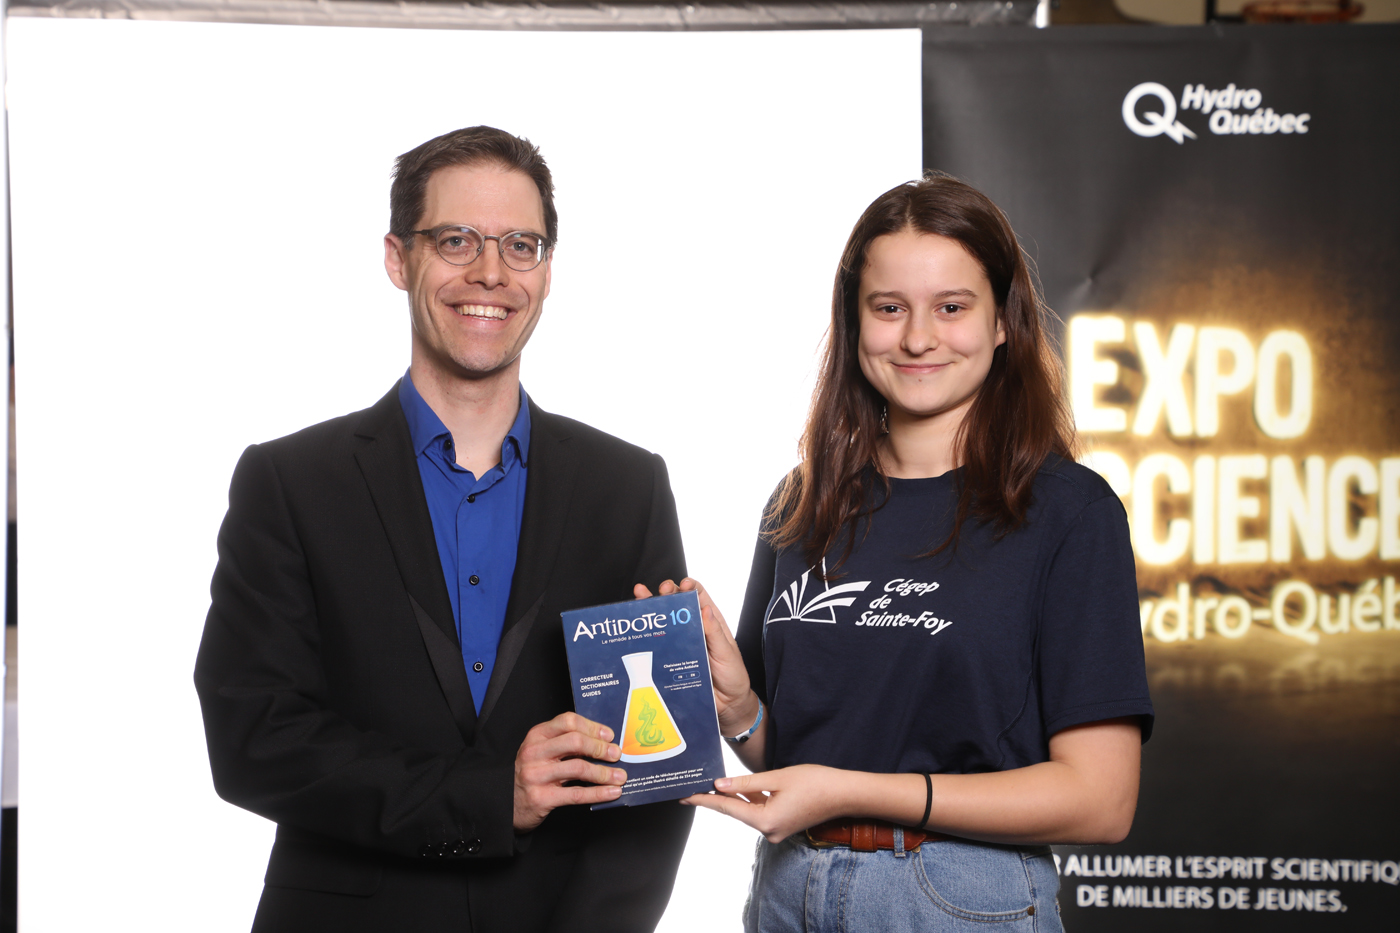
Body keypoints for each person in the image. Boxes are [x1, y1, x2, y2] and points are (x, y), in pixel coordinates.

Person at [194, 126, 692, 933]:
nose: (490, 272)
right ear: (398, 259)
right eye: (456, 240)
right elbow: (254, 736)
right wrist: (492, 797)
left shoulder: (627, 486)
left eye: (520, 245)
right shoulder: (289, 482)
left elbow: (658, 768)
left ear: (548, 269)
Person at [642, 173, 1153, 931]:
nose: (918, 338)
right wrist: (741, 707)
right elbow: (796, 755)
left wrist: (853, 791)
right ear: (856, 324)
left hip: (960, 901)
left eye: (952, 307)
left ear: (1004, 321)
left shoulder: (1068, 513)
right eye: (889, 309)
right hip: (790, 893)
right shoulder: (801, 503)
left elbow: (1101, 801)